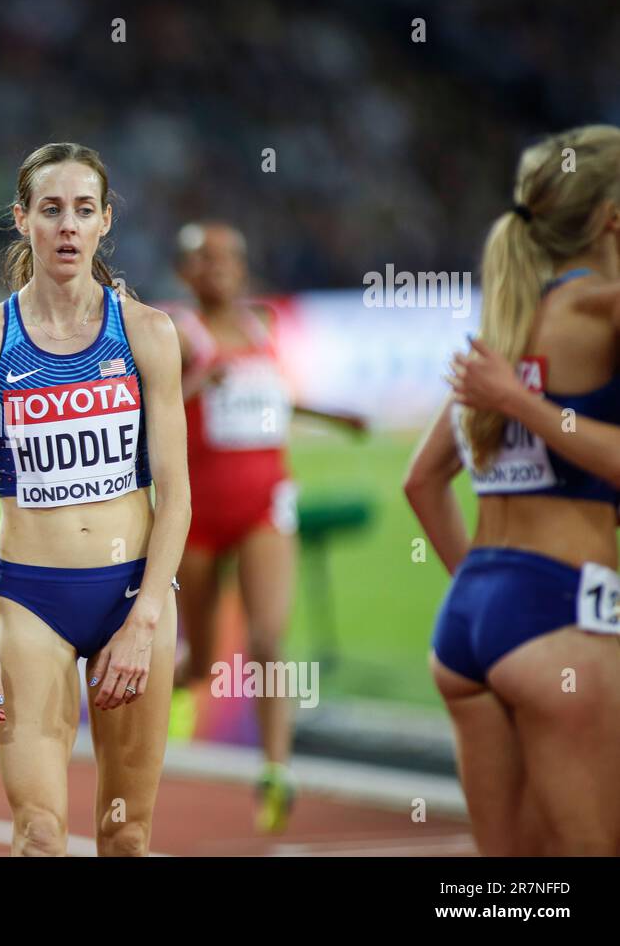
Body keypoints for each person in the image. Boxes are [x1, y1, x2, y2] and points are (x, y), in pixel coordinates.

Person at [0, 142, 190, 856]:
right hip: (31, 602)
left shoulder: (148, 333)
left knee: (125, 836)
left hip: (132, 597)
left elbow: (175, 495)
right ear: (21, 220)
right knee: (40, 835)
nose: (67, 227)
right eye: (51, 210)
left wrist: (144, 620)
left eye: (84, 210)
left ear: (106, 222)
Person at [405, 125, 620, 855]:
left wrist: (489, 597)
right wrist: (533, 408)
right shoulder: (601, 309)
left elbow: (422, 481)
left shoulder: (501, 324)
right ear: (612, 218)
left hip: (471, 621)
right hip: (561, 612)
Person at [165, 221, 365, 834]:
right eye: (205, 259)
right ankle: (121, 706)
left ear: (244, 268)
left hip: (263, 506)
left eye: (229, 257)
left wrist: (331, 414)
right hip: (197, 516)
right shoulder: (176, 331)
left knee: (268, 639)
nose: (218, 267)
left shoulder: (262, 325)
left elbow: (271, 395)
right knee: (199, 663)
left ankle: (276, 769)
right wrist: (201, 381)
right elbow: (149, 411)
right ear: (185, 272)